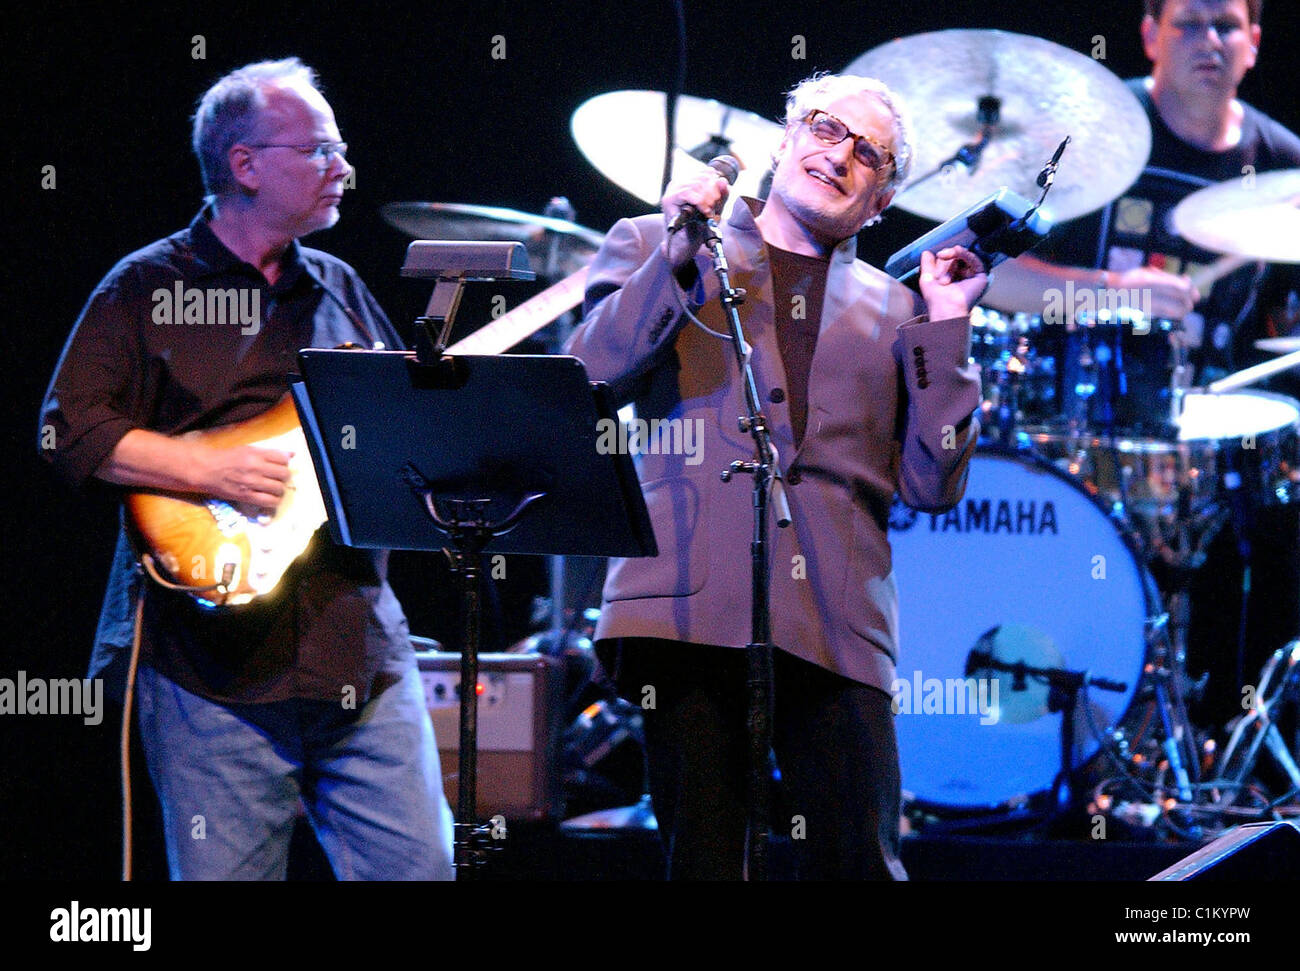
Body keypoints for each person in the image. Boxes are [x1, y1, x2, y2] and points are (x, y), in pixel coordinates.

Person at [38, 58, 454, 880]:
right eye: (320, 150)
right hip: (209, 671)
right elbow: (68, 431)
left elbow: (398, 432)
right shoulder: (146, 285)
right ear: (245, 164)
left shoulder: (337, 286)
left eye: (342, 150)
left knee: (422, 868)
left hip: (356, 647)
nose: (344, 168)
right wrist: (205, 467)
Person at [564, 72, 984, 879]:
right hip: (687, 604)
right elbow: (586, 378)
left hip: (837, 626)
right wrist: (680, 254)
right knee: (712, 861)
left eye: (869, 154)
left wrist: (950, 324)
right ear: (784, 141)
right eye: (826, 129)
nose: (840, 156)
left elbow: (936, 484)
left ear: (880, 203)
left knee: (860, 861)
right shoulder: (659, 240)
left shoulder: (899, 312)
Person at [983, 0, 1300, 735]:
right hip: (1079, 423)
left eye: (1227, 25)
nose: (1209, 42)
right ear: (1150, 35)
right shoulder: (1094, 131)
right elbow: (991, 274)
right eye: (1188, 23)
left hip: (1211, 438)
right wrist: (1115, 295)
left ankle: (1226, 746)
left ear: (1255, 42)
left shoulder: (1280, 161)